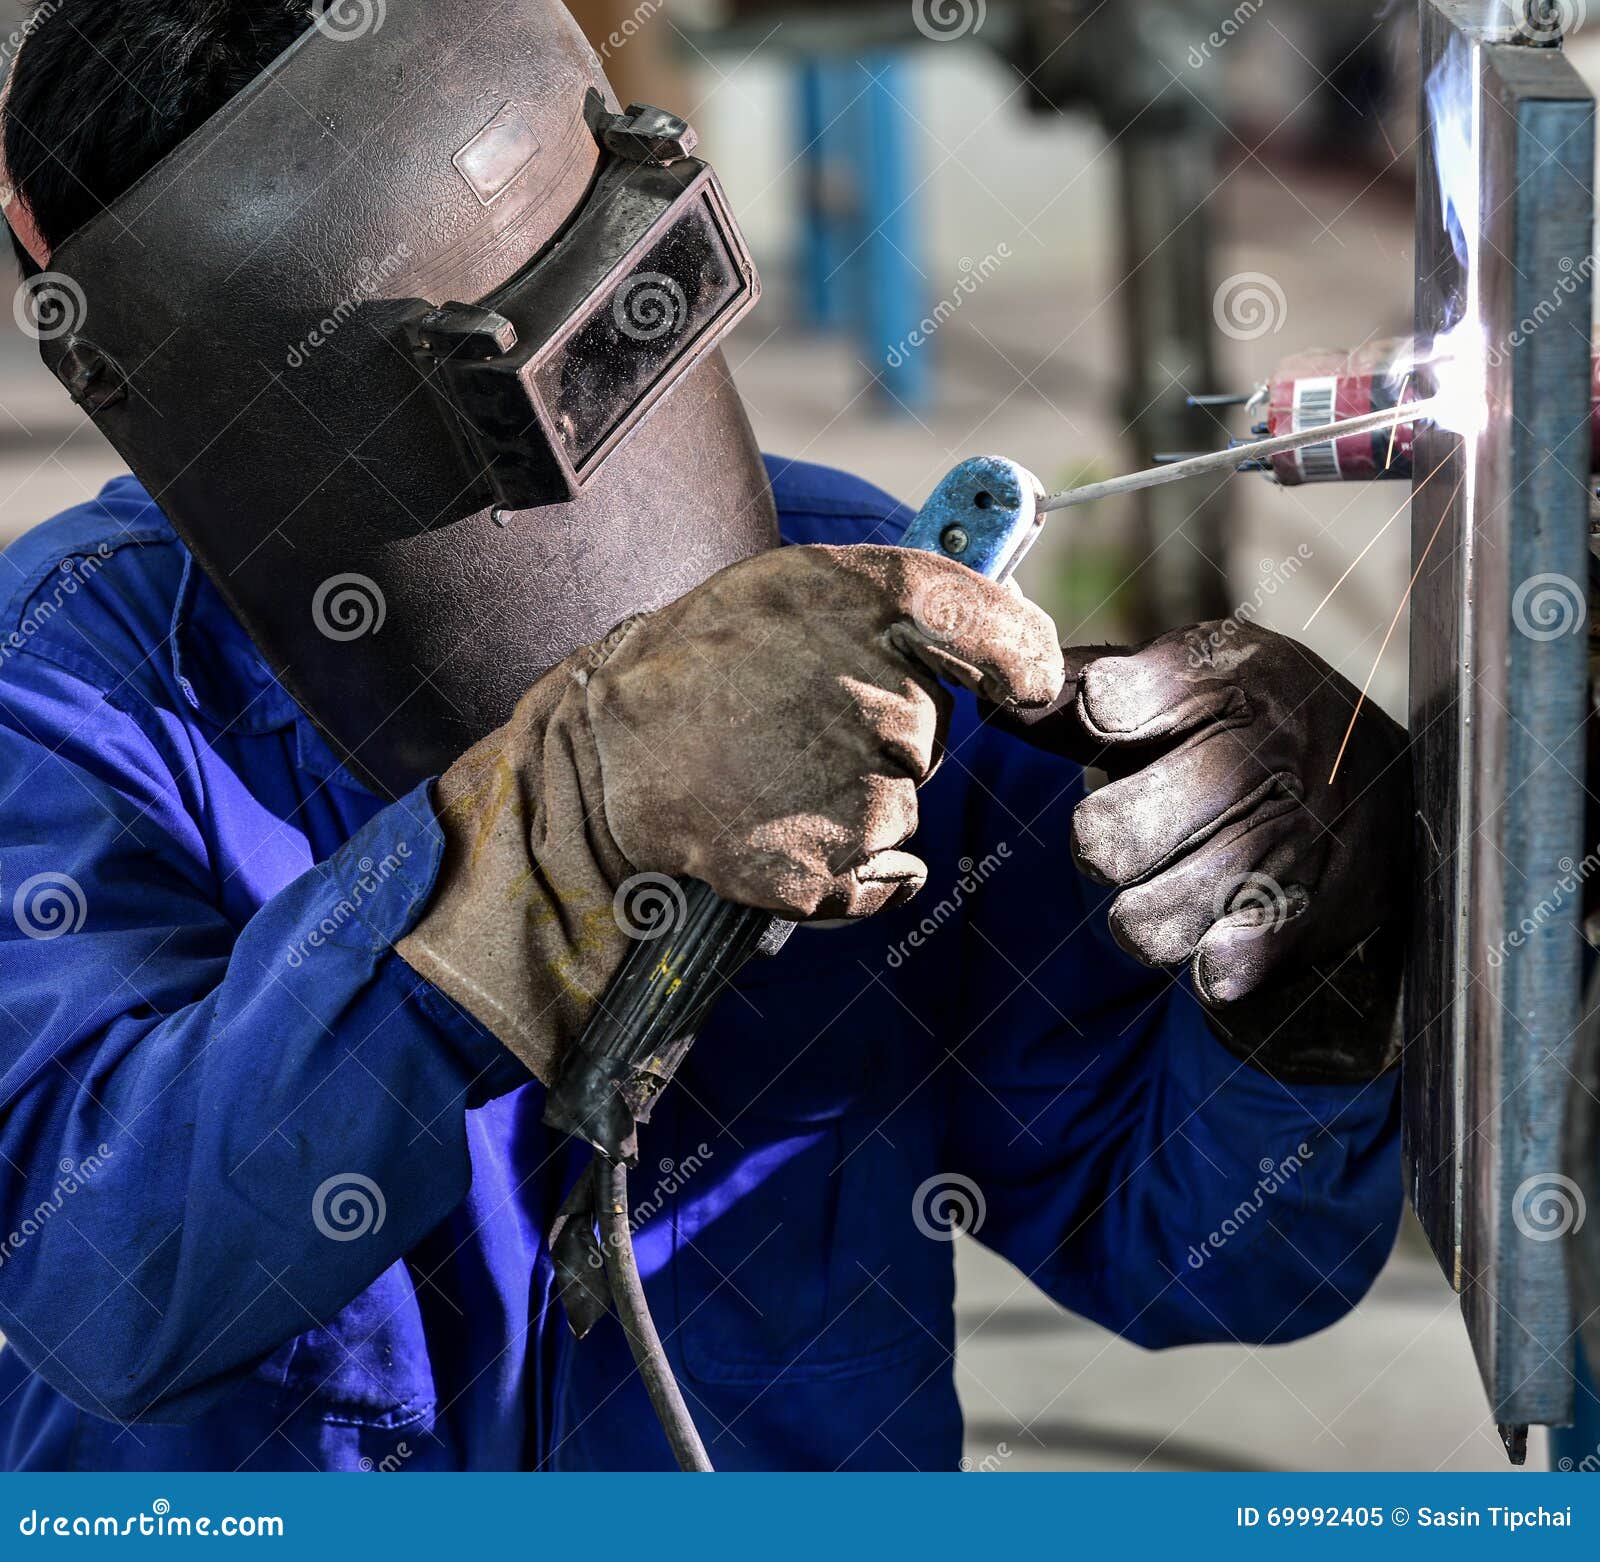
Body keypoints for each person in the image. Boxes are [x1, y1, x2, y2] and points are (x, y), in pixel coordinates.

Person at [0, 0, 1407, 1471]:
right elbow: (103, 1290)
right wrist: (538, 856)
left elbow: (1210, 1253)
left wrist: (1307, 976)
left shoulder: (866, 625)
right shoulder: (73, 698)